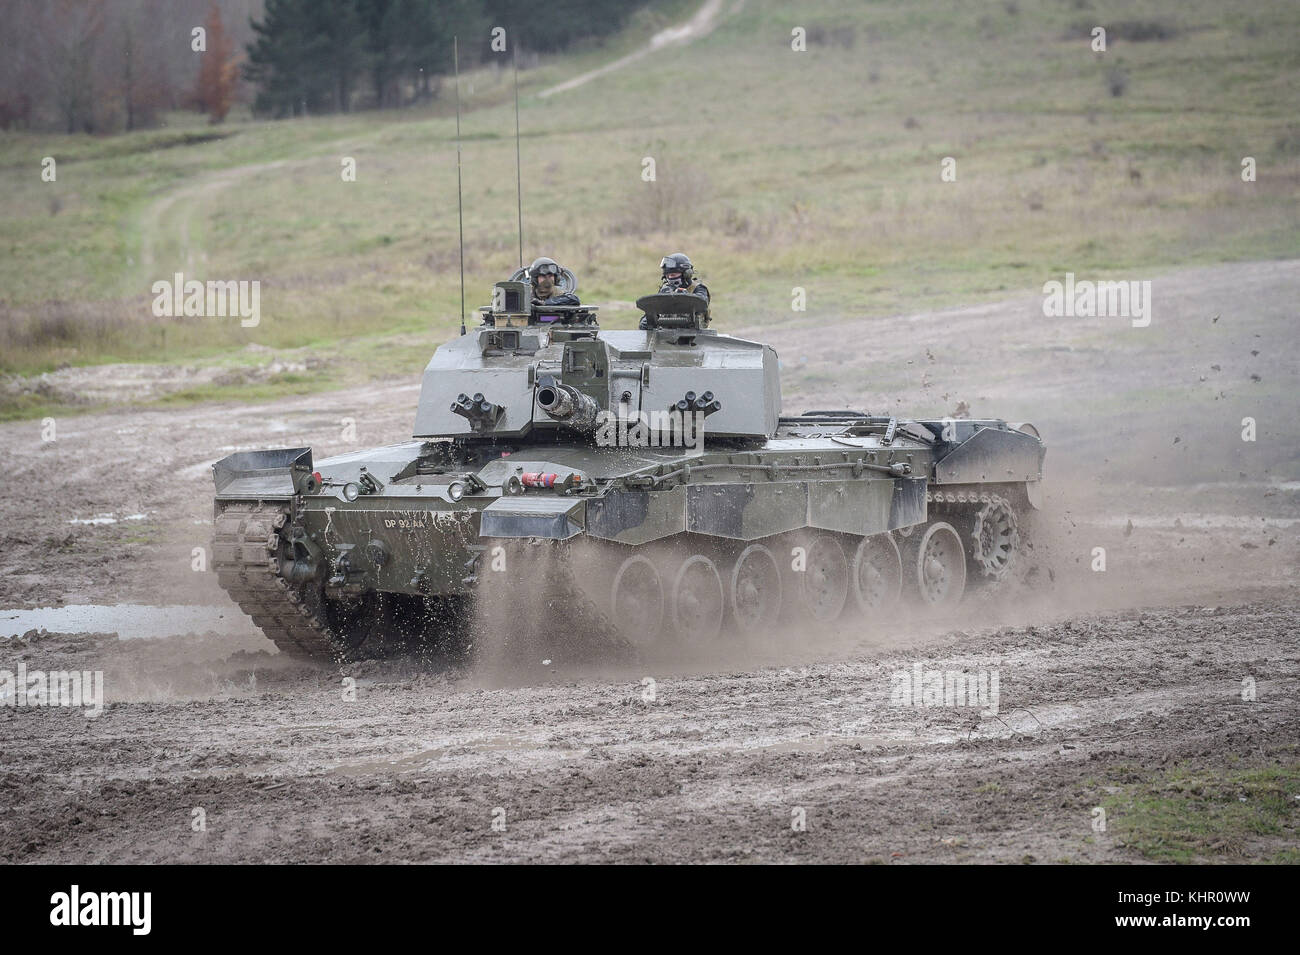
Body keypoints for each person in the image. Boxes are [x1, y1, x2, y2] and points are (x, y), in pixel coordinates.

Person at [641, 252, 710, 329]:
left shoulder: (698, 288)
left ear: (687, 273)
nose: (670, 278)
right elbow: (654, 310)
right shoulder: (665, 289)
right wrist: (646, 320)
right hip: (666, 332)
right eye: (668, 275)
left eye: (673, 275)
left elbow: (702, 302)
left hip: (694, 333)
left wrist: (685, 297)